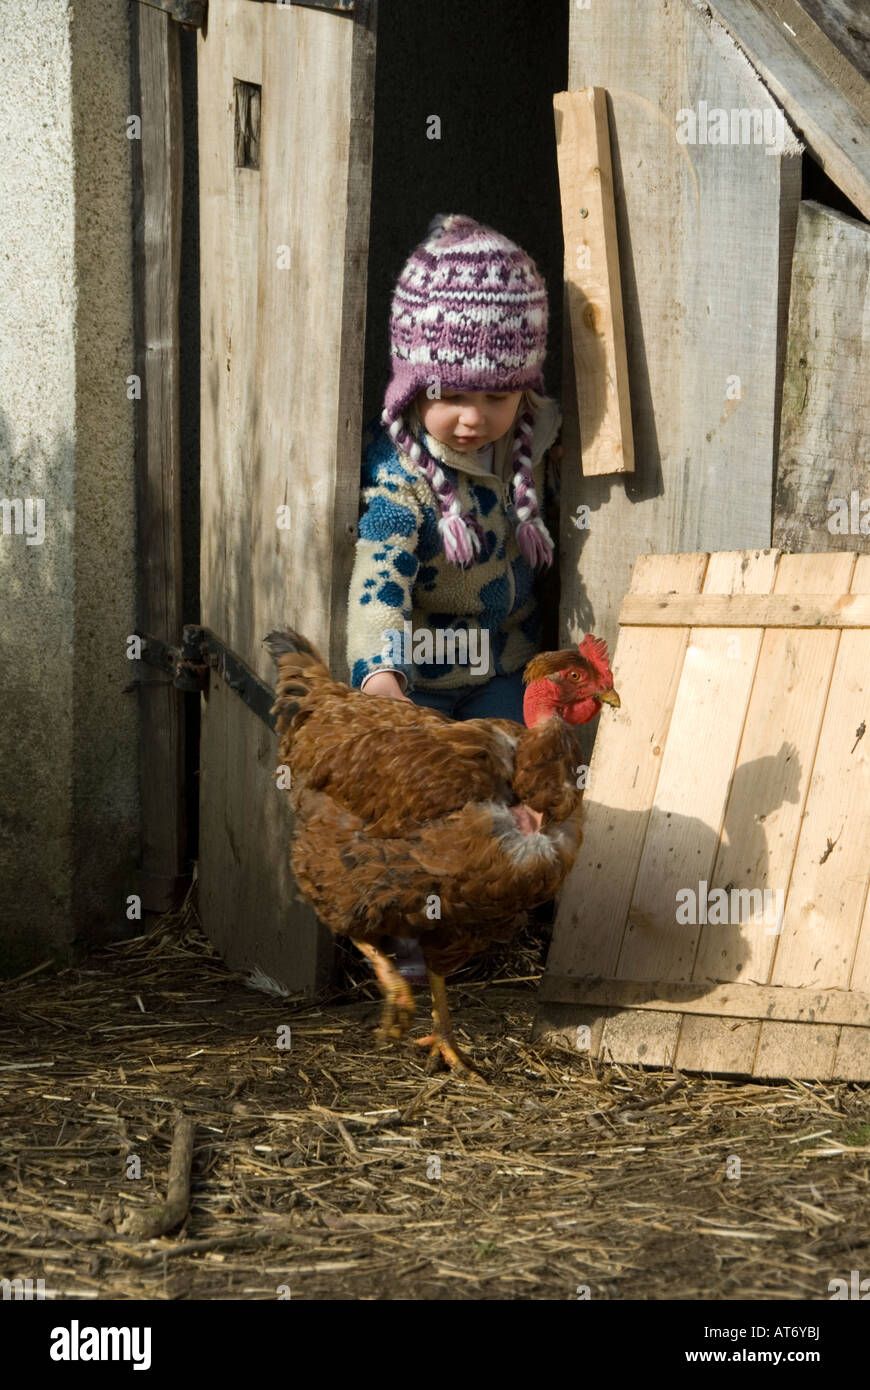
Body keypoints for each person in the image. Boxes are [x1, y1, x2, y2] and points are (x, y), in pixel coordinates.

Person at [346, 213, 562, 980]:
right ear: (412, 386)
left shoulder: (527, 443)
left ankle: (497, 930)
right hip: (420, 682)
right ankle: (406, 944)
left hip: (501, 665)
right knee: (418, 806)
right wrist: (381, 677)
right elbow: (379, 580)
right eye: (451, 396)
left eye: (497, 397)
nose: (473, 418)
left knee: (516, 785)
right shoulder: (400, 481)